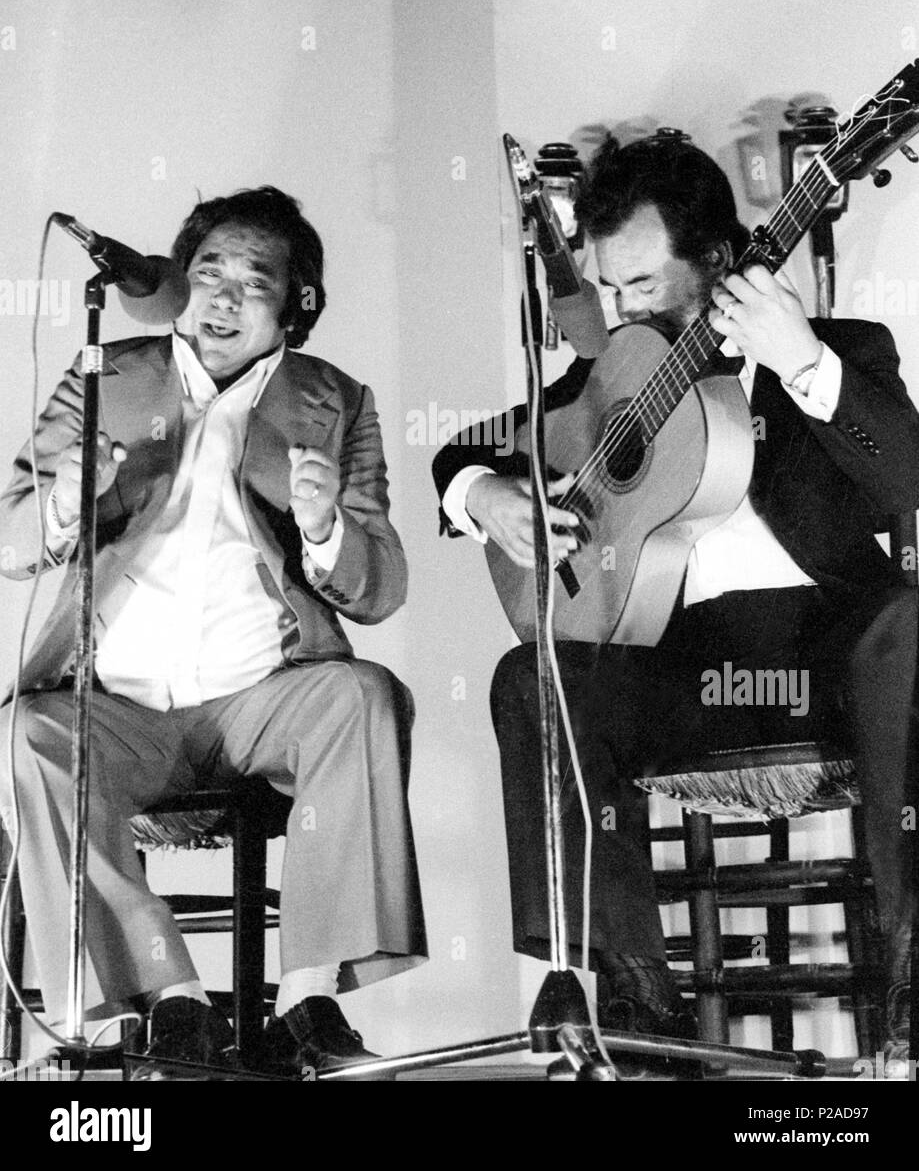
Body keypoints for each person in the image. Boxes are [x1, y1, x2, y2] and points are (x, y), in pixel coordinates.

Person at [432, 134, 919, 1068]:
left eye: (642, 287)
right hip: (676, 671)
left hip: (825, 662)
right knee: (531, 675)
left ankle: (911, 988)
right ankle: (630, 1012)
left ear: (720, 261)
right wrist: (481, 498)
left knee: (915, 624)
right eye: (609, 289)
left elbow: (907, 477)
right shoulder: (613, 378)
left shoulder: (847, 350)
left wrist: (805, 363)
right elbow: (468, 451)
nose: (617, 312)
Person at [0, 185, 426, 1079]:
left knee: (364, 693)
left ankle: (307, 1004)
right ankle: (173, 1005)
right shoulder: (105, 376)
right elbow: (8, 543)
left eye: (255, 282)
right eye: (208, 274)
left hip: (258, 699)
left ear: (295, 307)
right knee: (23, 734)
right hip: (115, 706)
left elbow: (380, 587)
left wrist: (323, 530)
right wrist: (60, 506)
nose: (224, 299)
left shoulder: (335, 401)